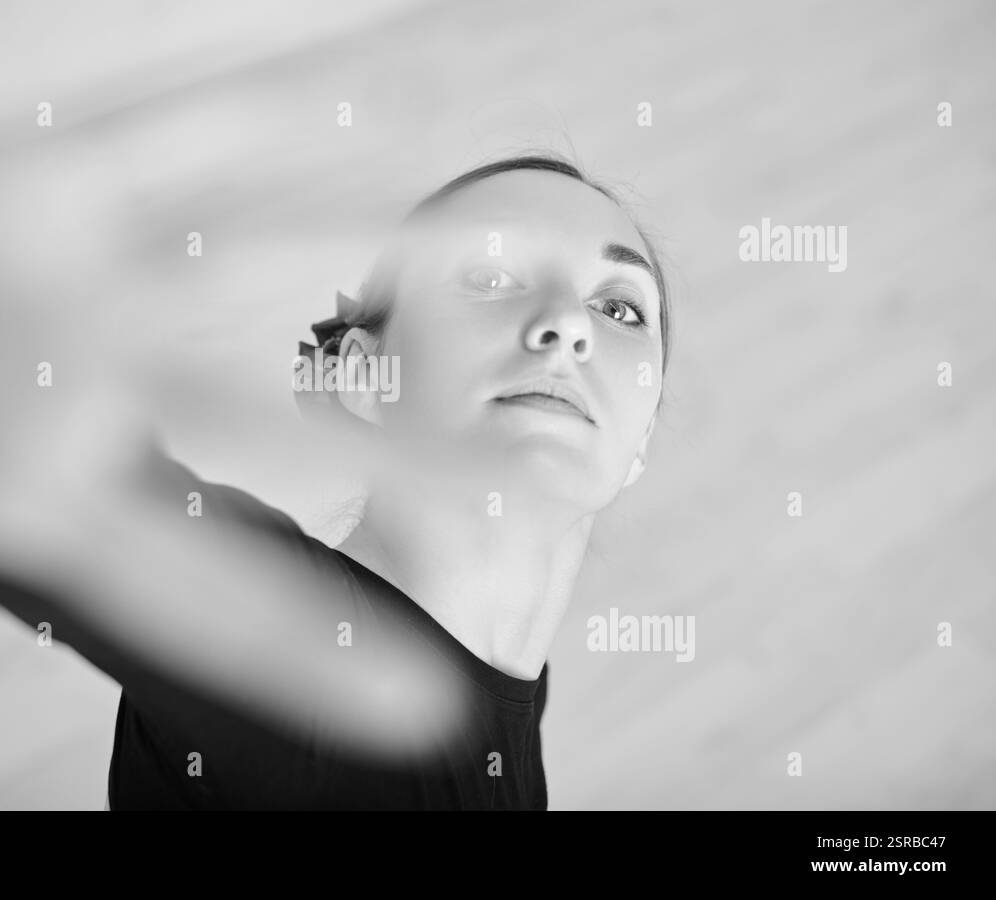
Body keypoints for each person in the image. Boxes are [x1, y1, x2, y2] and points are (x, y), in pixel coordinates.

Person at [87, 152, 671, 809]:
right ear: (365, 376)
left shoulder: (509, 696)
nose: (568, 323)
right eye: (491, 275)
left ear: (642, 438)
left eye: (620, 308)